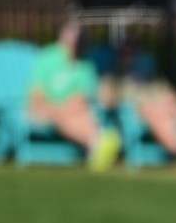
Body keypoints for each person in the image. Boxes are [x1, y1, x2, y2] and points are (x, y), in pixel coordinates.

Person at [28, 22, 122, 170]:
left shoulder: (85, 64)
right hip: (44, 109)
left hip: (73, 111)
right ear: (62, 40)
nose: (74, 46)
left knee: (79, 113)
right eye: (71, 42)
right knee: (63, 114)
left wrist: (68, 107)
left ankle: (97, 144)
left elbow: (81, 98)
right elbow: (37, 98)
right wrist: (59, 108)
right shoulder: (47, 58)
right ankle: (98, 142)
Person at [97, 38, 176, 156]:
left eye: (133, 52)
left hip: (168, 110)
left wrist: (170, 104)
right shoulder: (113, 80)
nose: (130, 57)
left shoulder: (153, 79)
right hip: (140, 113)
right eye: (126, 54)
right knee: (155, 114)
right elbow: (105, 101)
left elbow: (174, 97)